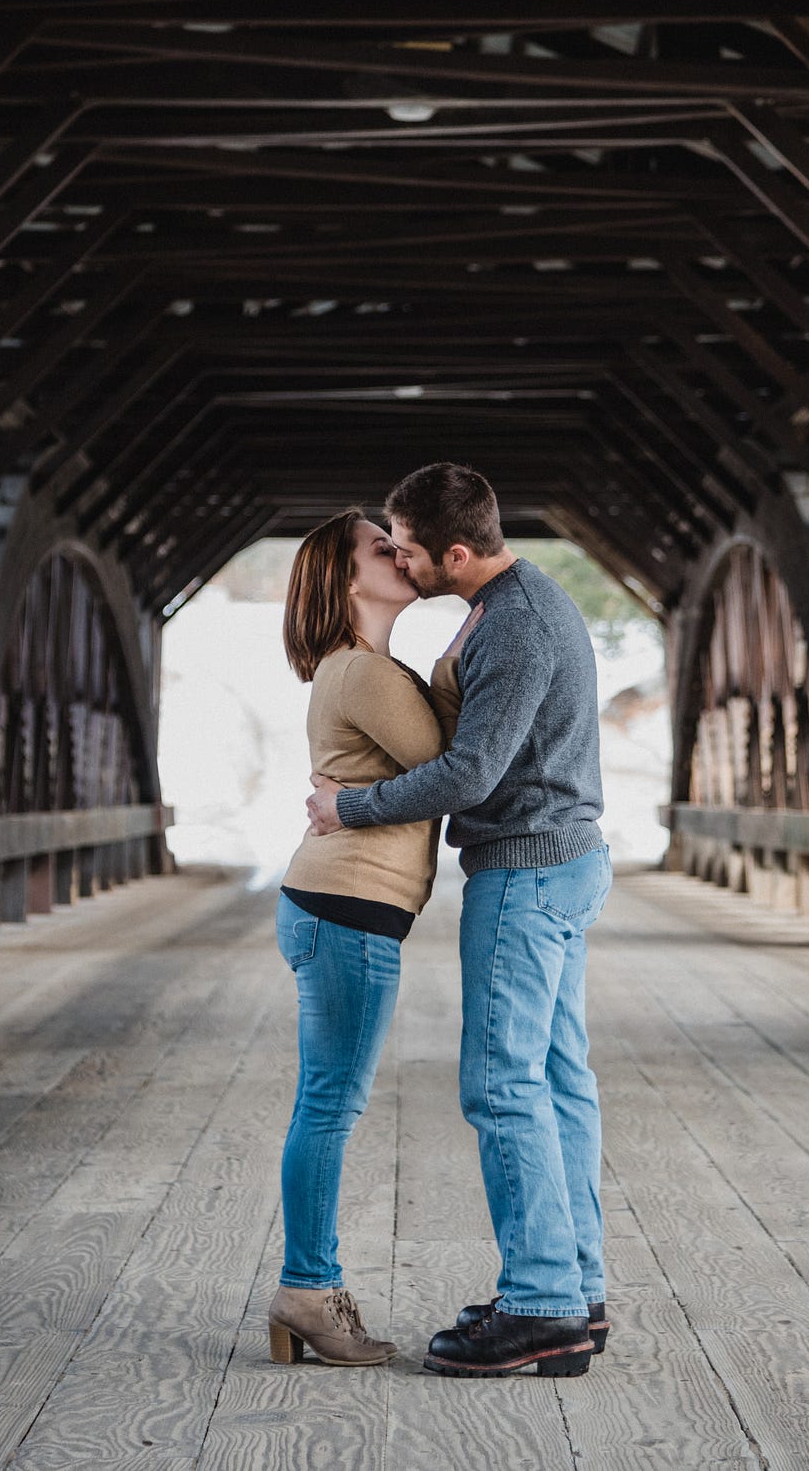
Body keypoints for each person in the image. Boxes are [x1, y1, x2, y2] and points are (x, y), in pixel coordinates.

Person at [306, 463, 612, 1379]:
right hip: (554, 865)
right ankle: (572, 1291)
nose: (396, 555)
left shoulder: (515, 624)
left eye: (406, 546)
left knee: (502, 1085)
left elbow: (470, 774)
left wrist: (346, 811)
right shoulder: (507, 605)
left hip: (528, 872)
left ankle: (540, 1308)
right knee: (557, 1083)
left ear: (458, 553)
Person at [268, 507, 477, 1368]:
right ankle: (308, 1292)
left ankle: (306, 1290)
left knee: (327, 1100)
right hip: (346, 912)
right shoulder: (360, 672)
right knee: (330, 1105)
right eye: (379, 547)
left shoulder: (368, 669)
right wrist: (462, 662)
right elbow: (464, 764)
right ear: (348, 579)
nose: (400, 553)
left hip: (341, 910)